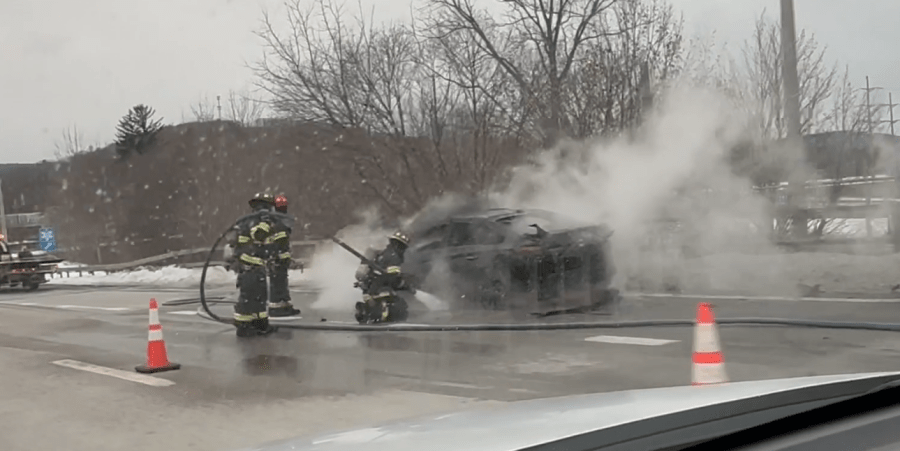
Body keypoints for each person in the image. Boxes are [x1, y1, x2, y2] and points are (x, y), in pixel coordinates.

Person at [231, 192, 278, 337]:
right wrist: (265, 222)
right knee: (249, 297)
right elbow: (258, 235)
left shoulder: (252, 220)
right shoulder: (254, 222)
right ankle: (244, 326)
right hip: (249, 266)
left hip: (257, 267)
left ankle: (260, 324)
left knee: (260, 297)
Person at [354, 231, 412, 324]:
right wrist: (402, 284)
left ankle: (367, 311)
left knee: (383, 302)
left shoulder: (383, 254)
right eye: (402, 246)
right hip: (379, 289)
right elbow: (392, 278)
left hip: (370, 288)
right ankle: (379, 314)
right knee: (400, 306)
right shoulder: (393, 256)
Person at [266, 194, 301, 317]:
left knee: (282, 282)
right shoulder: (275, 223)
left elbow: (283, 243)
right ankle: (275, 307)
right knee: (277, 283)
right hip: (276, 259)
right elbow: (275, 243)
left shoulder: (279, 222)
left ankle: (285, 305)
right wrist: (276, 257)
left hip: (280, 259)